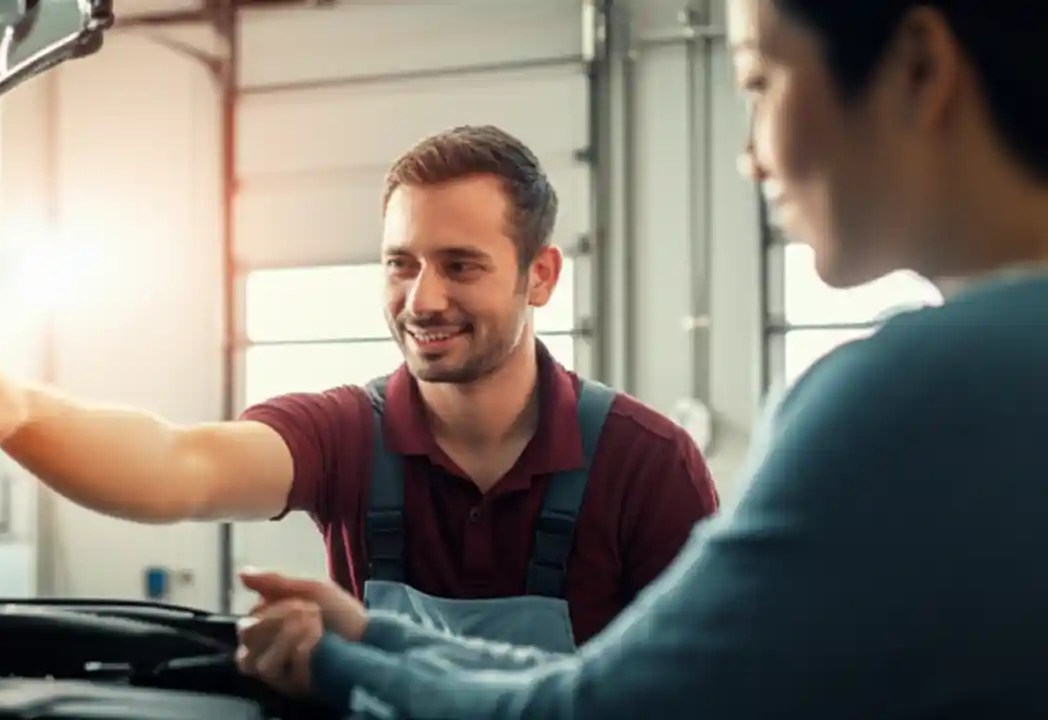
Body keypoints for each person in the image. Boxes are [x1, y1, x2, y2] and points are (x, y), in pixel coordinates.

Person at [232, 0, 1048, 716]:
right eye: (401, 263)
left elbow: (611, 707)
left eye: (760, 82)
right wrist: (373, 634)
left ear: (917, 67)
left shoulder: (911, 393)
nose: (750, 156)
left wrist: (334, 663)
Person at [0, 125, 719, 652]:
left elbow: (708, 681)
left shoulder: (647, 465)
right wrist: (20, 410)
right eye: (401, 265)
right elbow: (175, 464)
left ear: (540, 276)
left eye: (461, 266)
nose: (423, 300)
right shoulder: (348, 433)